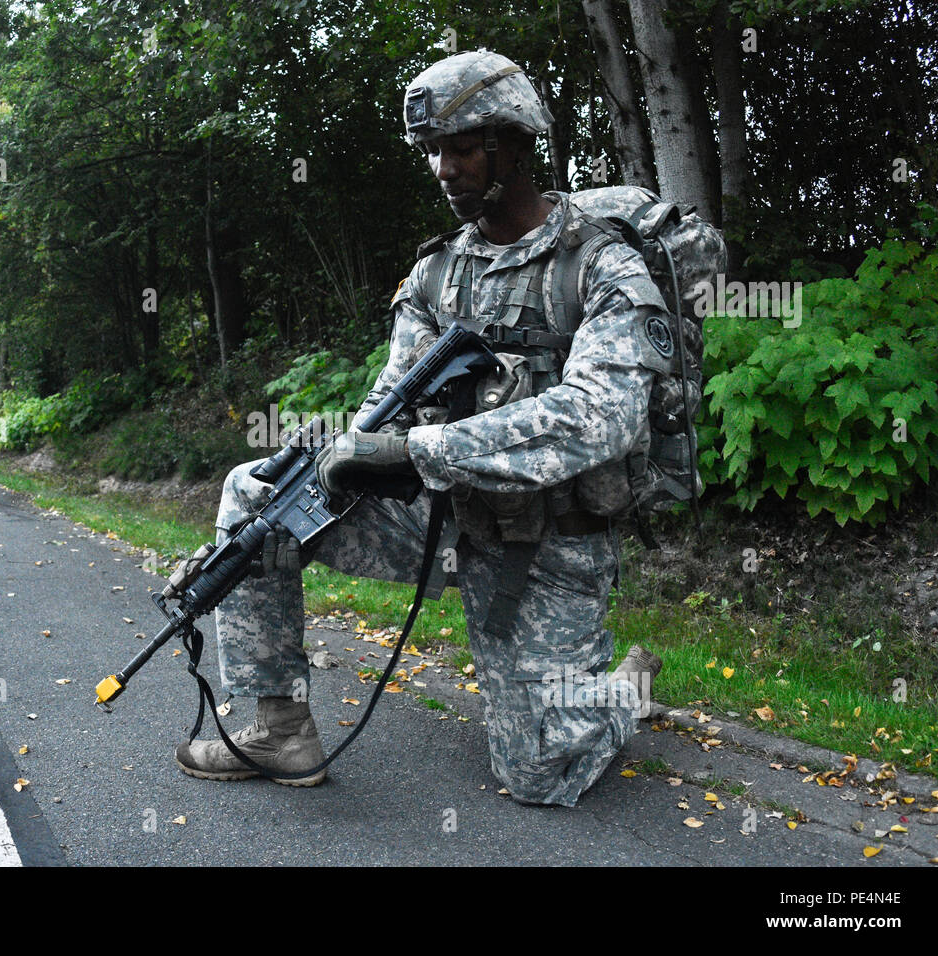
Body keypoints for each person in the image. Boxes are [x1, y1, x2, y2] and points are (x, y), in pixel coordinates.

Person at [174, 50, 681, 806]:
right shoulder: (436, 275)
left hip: (551, 543)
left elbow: (600, 418)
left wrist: (419, 449)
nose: (445, 168)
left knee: (539, 774)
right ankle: (280, 730)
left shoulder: (600, 268)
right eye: (433, 153)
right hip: (442, 525)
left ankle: (621, 692)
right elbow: (389, 405)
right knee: (256, 496)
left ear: (514, 144)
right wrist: (240, 553)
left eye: (462, 147)